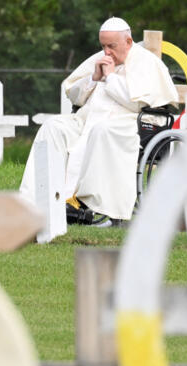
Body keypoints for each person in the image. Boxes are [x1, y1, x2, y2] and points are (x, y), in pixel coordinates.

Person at [18, 17, 178, 223]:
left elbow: (137, 103)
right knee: (53, 126)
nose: (107, 52)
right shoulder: (98, 60)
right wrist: (92, 78)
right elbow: (74, 97)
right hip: (86, 121)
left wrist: (110, 77)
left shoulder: (147, 62)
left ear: (128, 41)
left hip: (129, 124)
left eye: (112, 46)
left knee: (102, 130)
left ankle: (84, 205)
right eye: (103, 46)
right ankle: (34, 199)